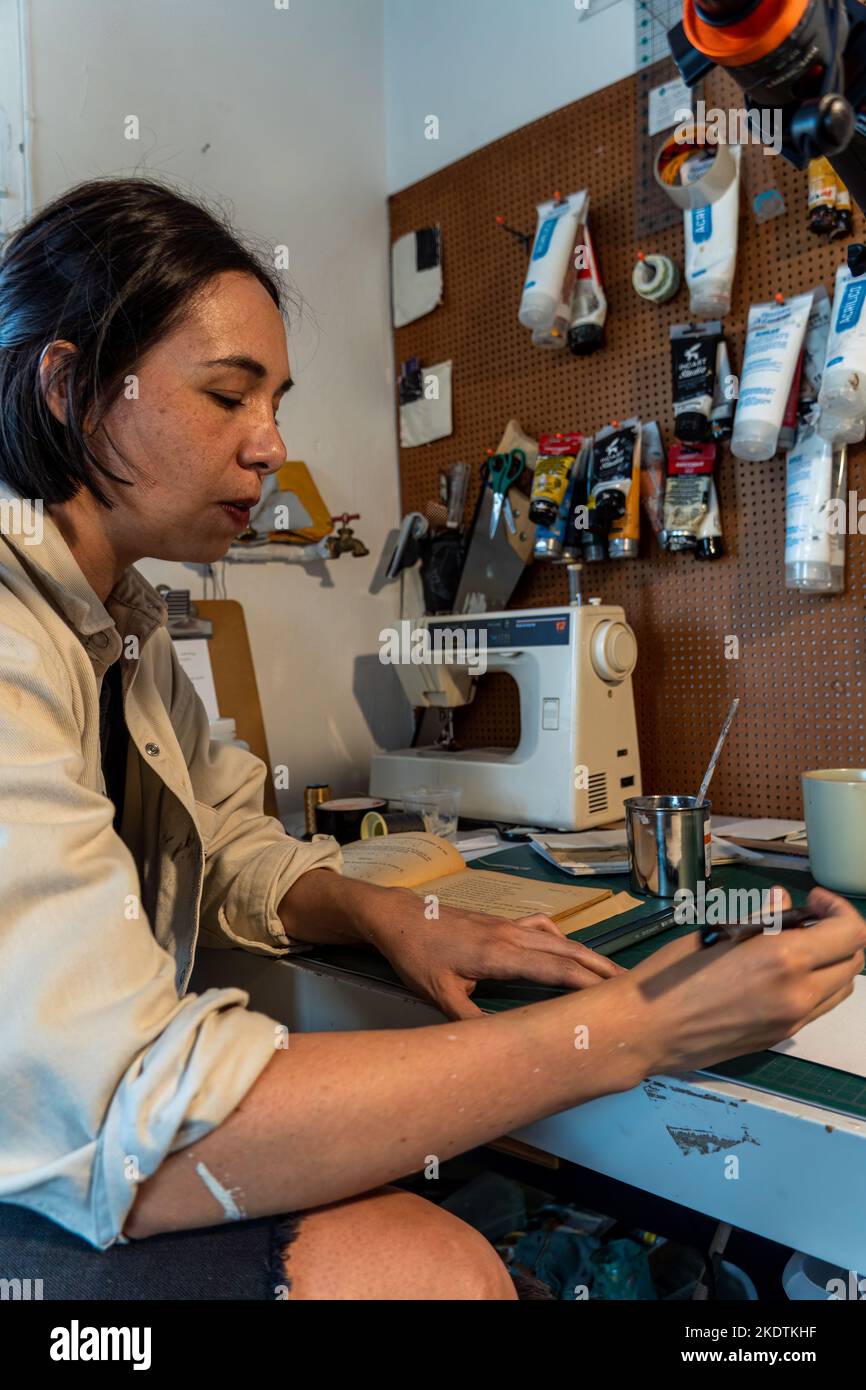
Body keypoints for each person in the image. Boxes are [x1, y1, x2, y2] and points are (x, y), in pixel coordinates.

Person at [0, 178, 862, 1301]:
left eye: (279, 401)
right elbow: (139, 1125)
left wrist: (387, 909)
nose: (270, 447)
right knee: (425, 1273)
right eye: (226, 396)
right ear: (68, 388)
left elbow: (223, 846)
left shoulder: (126, 627)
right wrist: (642, 1025)